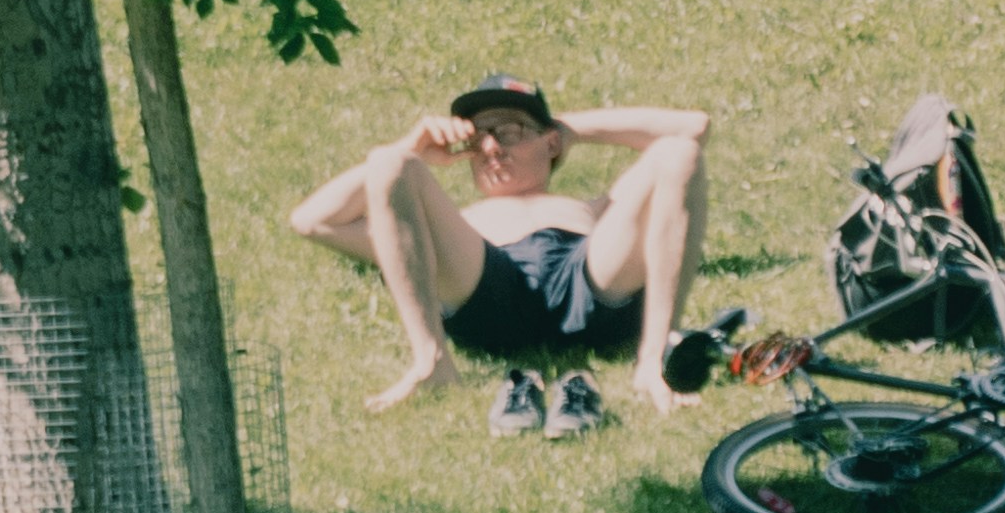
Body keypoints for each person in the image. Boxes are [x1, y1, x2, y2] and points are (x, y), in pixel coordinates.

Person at [287, 74, 725, 426]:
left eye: (510, 132)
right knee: (387, 161)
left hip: (588, 274)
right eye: (478, 138)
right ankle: (431, 363)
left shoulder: (596, 207)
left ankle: (653, 360)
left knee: (678, 154)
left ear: (549, 143)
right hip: (486, 283)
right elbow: (312, 221)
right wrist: (411, 149)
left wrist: (567, 130)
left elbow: (691, 130)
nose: (492, 148)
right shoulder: (438, 229)